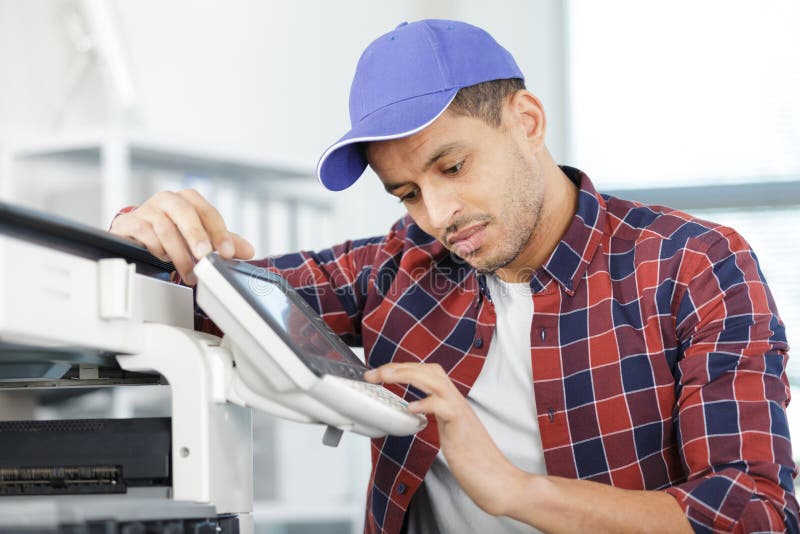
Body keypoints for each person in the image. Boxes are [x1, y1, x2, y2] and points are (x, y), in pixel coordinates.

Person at [110, 19, 798, 534]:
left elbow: (753, 511)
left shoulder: (693, 263)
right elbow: (190, 305)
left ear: (525, 120)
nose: (438, 215)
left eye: (452, 167)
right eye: (406, 192)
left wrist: (513, 490)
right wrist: (145, 236)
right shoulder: (399, 267)